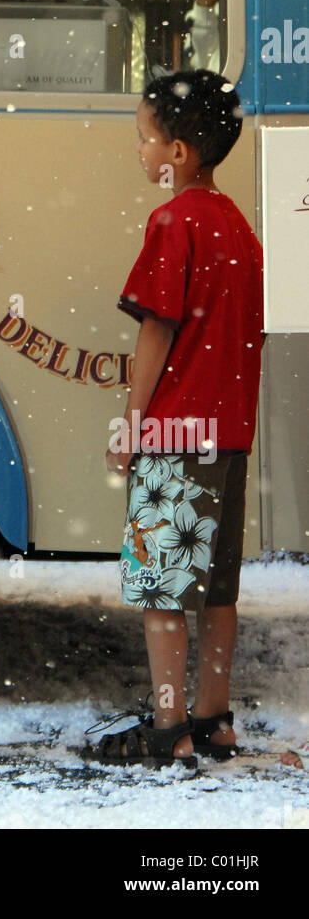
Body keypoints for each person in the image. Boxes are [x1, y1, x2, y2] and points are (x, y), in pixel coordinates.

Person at [91, 69, 263, 767]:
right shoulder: (238, 226)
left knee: (161, 588)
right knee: (216, 590)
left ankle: (170, 729)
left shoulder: (174, 221)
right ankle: (215, 716)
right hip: (229, 434)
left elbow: (156, 330)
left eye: (146, 139)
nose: (141, 152)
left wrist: (133, 426)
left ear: (181, 153)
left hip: (173, 435)